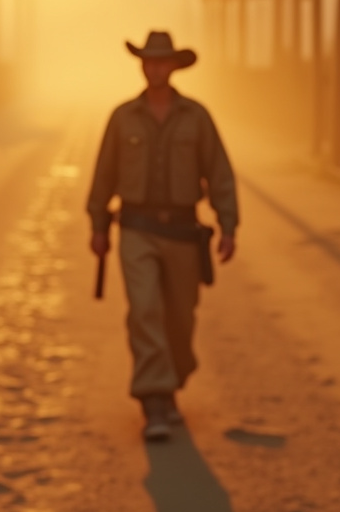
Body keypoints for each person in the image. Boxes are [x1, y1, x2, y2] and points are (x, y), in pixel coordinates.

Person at [86, 30, 238, 442]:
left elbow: (219, 172)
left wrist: (228, 225)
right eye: (148, 61)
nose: (154, 68)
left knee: (179, 316)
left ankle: (169, 384)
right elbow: (104, 175)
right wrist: (98, 225)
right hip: (136, 228)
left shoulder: (197, 117)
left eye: (161, 61)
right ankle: (153, 398)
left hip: (184, 232)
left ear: (173, 66)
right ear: (142, 65)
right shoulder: (122, 118)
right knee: (145, 309)